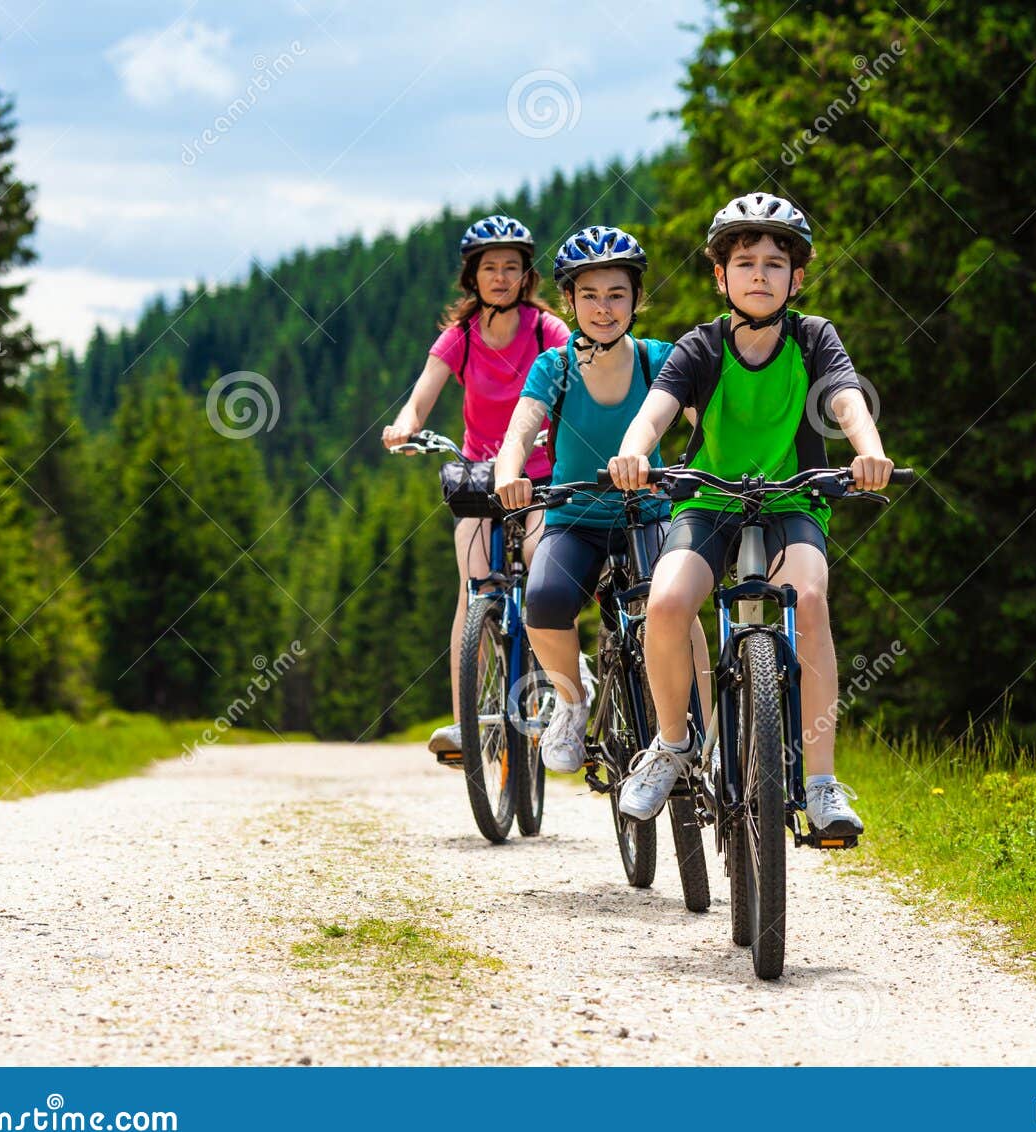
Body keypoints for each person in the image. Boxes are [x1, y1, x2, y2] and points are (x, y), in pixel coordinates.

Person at [606, 192, 894, 837]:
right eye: (744, 263)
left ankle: (820, 783)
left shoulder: (814, 337)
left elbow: (846, 400)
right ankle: (674, 744)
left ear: (797, 277)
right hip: (708, 500)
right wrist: (632, 453)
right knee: (668, 603)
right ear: (720, 276)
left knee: (810, 601)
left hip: (794, 497)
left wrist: (869, 453)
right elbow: (656, 409)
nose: (759, 274)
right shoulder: (700, 346)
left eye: (774, 262)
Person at [494, 226, 708, 772]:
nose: (603, 308)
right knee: (542, 601)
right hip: (576, 518)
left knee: (680, 608)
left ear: (637, 299)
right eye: (589, 295)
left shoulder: (657, 359)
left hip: (650, 514)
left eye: (617, 294)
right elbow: (519, 433)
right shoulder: (556, 366)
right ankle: (572, 700)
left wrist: (706, 470)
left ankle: (706, 727)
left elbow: (704, 426)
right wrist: (509, 474)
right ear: (569, 301)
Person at [382, 214, 569, 757]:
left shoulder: (545, 330)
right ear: (473, 277)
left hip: (540, 474)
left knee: (540, 557)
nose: (502, 277)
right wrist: (406, 426)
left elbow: (579, 373)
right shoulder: (459, 337)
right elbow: (422, 394)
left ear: (526, 275)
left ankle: (559, 687)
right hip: (479, 475)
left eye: (512, 267)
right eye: (491, 268)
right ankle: (467, 723)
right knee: (472, 587)